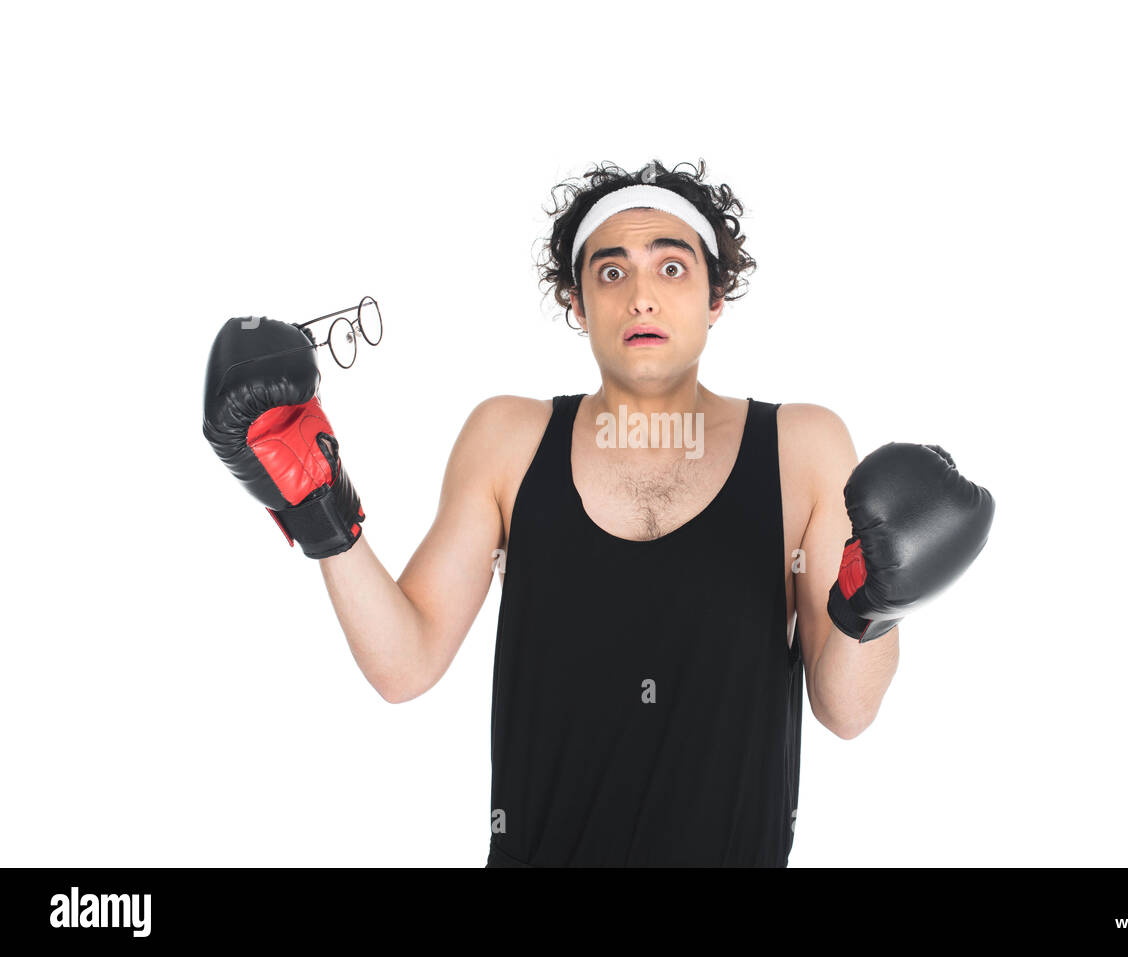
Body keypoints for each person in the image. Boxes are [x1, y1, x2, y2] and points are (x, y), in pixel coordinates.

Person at [202, 159, 995, 867]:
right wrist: (315, 505)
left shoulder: (804, 444)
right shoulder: (508, 437)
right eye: (610, 273)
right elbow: (405, 665)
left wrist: (872, 609)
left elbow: (846, 711)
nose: (641, 293)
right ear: (576, 302)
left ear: (716, 297)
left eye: (672, 267)